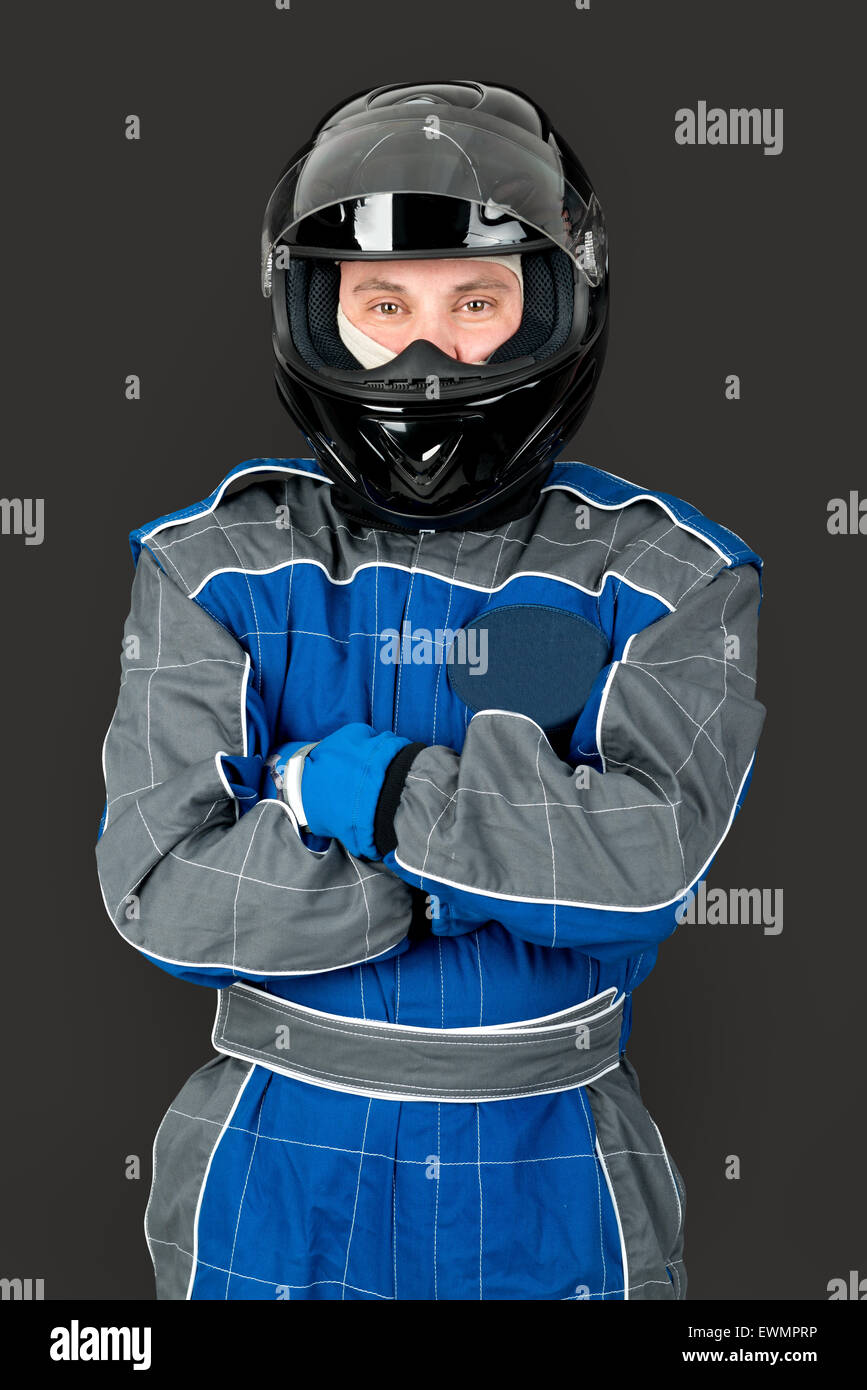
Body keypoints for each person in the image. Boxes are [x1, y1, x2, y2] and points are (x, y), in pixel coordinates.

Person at [95, 79, 767, 1301]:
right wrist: (483, 875)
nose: (423, 350)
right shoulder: (214, 566)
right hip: (275, 1167)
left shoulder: (668, 576)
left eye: (475, 302)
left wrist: (370, 789)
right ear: (317, 314)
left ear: (550, 310)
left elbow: (645, 866)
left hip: (554, 1167)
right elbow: (160, 894)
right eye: (381, 305)